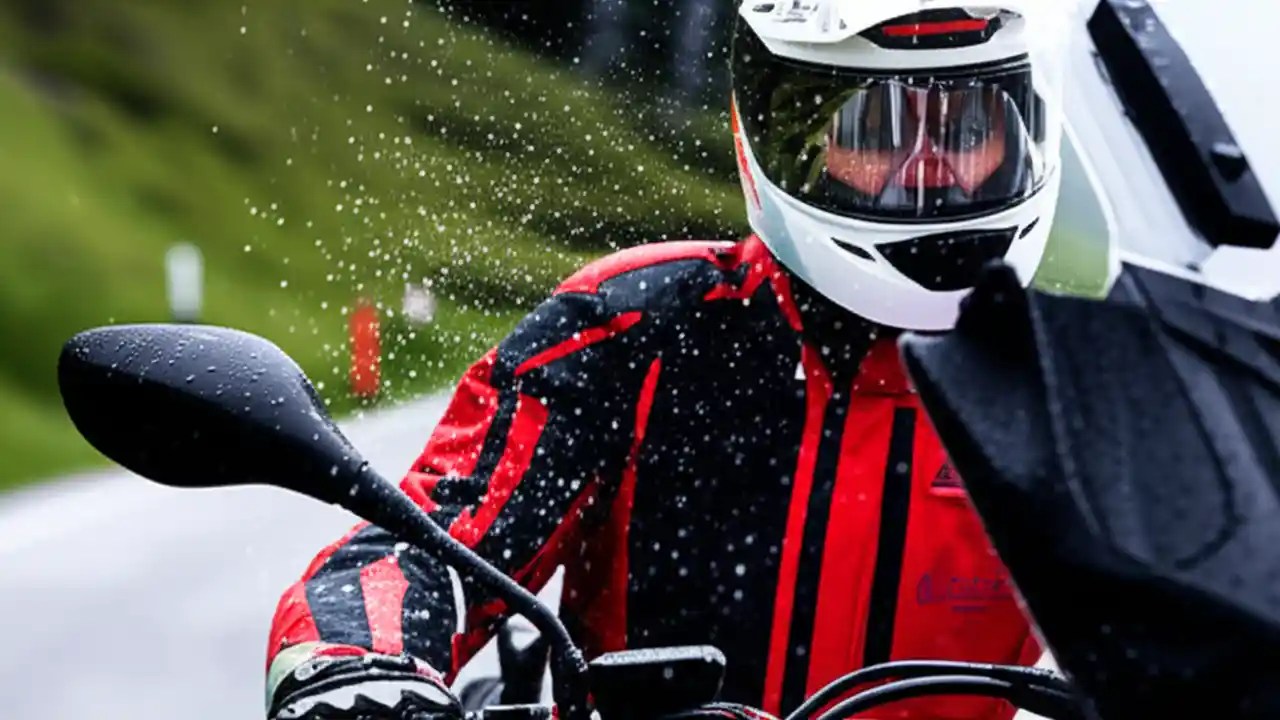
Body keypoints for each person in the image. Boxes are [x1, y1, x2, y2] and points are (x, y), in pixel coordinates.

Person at [265, 1, 1073, 718]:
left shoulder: (1073, 390)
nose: (926, 167)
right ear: (784, 133)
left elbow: (1189, 606)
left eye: (967, 126)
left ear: (1021, 136)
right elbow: (429, 541)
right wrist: (353, 668)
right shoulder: (639, 329)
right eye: (873, 128)